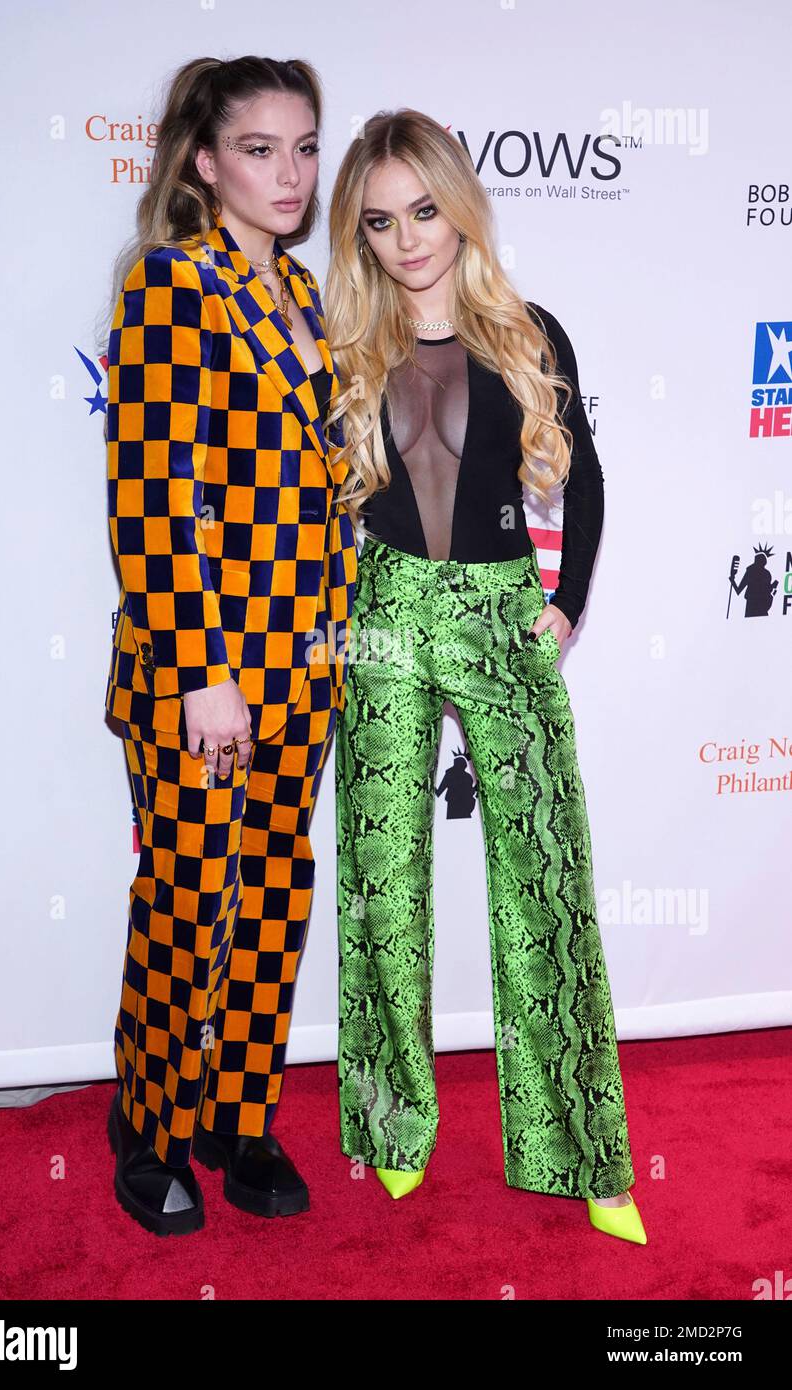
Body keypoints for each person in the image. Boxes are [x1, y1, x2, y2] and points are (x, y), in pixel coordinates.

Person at [324, 109, 646, 1245]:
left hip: (504, 607)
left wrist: (564, 606)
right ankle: (389, 1124)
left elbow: (587, 480)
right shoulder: (339, 346)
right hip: (382, 612)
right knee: (380, 879)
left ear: (457, 205)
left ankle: (581, 1151)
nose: (407, 239)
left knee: (544, 876)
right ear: (357, 236)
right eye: (378, 221)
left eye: (422, 210)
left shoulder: (526, 329)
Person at [102, 55, 356, 1235]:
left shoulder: (305, 295)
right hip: (203, 670)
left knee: (271, 896)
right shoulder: (171, 286)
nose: (292, 172)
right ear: (205, 162)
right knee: (189, 893)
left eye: (305, 147)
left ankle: (236, 1114)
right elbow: (154, 495)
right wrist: (206, 671)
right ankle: (148, 1120)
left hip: (306, 664)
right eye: (262, 149)